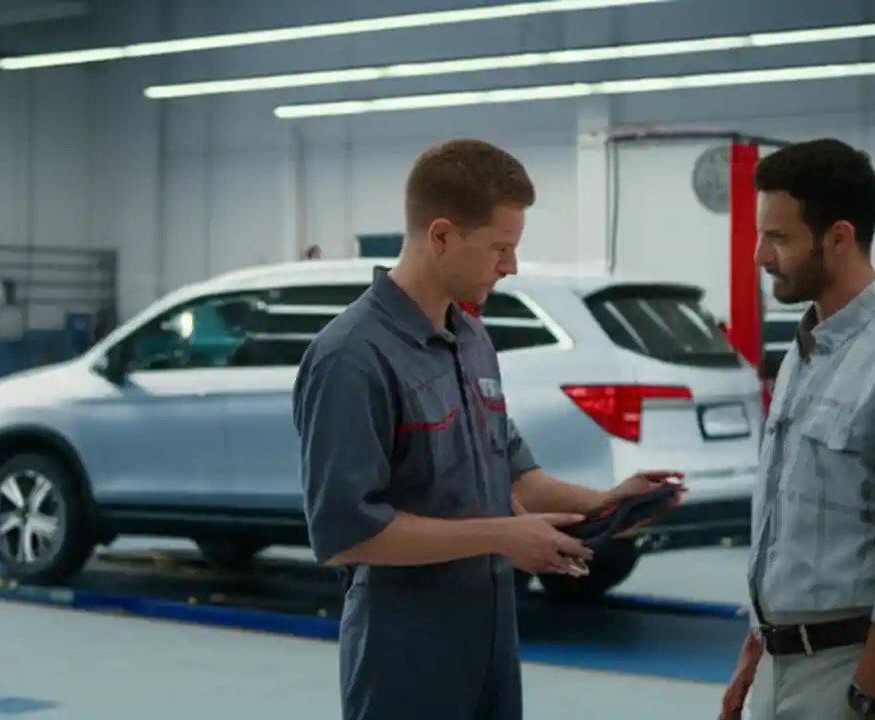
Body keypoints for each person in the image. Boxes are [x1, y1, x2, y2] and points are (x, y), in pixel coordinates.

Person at [292, 138, 682, 720]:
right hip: (406, 640)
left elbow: (517, 476)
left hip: (491, 631)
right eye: (501, 247)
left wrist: (606, 504)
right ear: (442, 235)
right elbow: (347, 534)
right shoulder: (350, 357)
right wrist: (502, 537)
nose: (511, 265)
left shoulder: (472, 340)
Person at [719, 139, 875, 720]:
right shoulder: (803, 354)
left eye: (778, 238)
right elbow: (783, 532)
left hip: (855, 674)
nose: (760, 256)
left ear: (839, 237)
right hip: (780, 669)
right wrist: (751, 664)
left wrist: (865, 699)